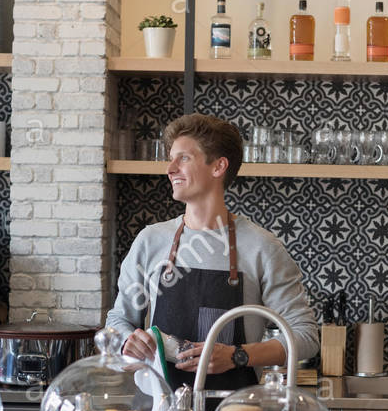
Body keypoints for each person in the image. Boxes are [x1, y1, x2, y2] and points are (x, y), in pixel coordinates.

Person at [104, 114, 318, 394]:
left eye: (183, 158)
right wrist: (126, 341)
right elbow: (118, 320)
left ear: (218, 166)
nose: (169, 168)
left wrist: (237, 355)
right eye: (171, 158)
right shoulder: (150, 241)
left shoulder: (262, 247)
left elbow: (305, 337)